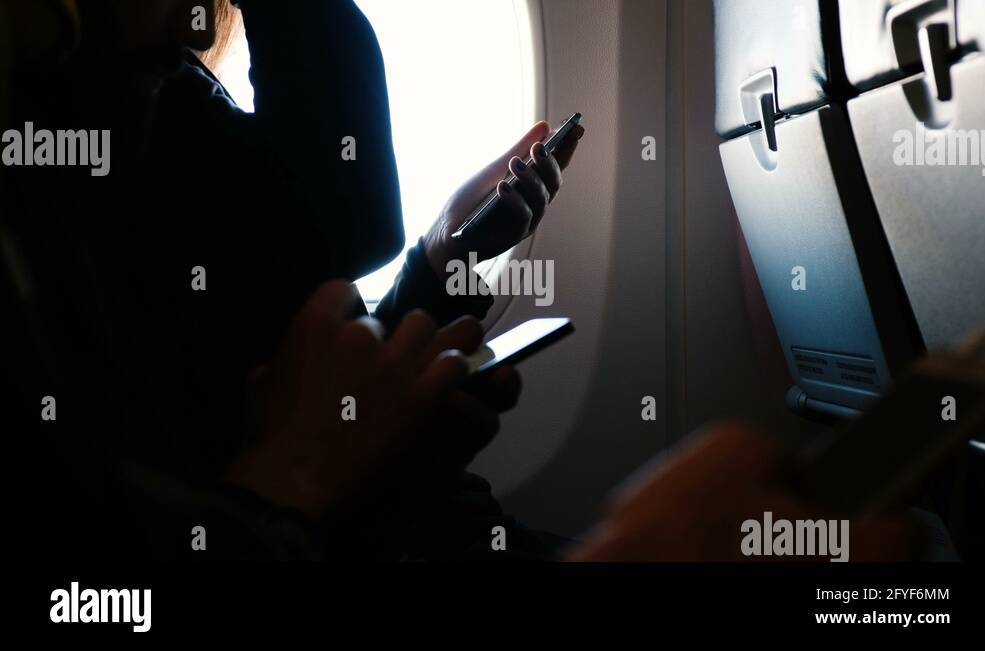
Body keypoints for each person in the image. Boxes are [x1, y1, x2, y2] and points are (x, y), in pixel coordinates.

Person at [2, 0, 582, 559]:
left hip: (416, 526)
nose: (197, 26)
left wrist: (444, 256)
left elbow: (289, 342)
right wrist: (292, 482)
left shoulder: (143, 98)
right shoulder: (97, 126)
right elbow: (347, 224)